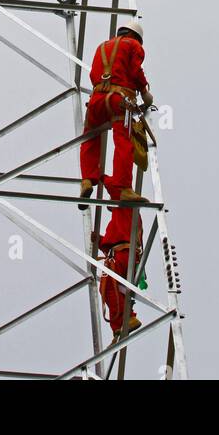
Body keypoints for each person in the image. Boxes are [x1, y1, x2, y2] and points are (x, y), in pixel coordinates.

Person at [79, 18, 153, 206]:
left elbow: (92, 74)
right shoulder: (133, 45)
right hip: (118, 100)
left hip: (96, 100)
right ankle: (123, 188)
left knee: (89, 139)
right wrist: (144, 92)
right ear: (136, 37)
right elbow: (135, 71)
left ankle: (87, 179)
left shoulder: (102, 47)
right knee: (123, 141)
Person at [99, 207, 144, 338]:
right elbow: (116, 238)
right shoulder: (123, 215)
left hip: (123, 254)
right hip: (124, 254)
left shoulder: (123, 210)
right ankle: (122, 321)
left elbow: (118, 239)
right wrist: (100, 241)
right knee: (116, 289)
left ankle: (125, 320)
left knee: (108, 288)